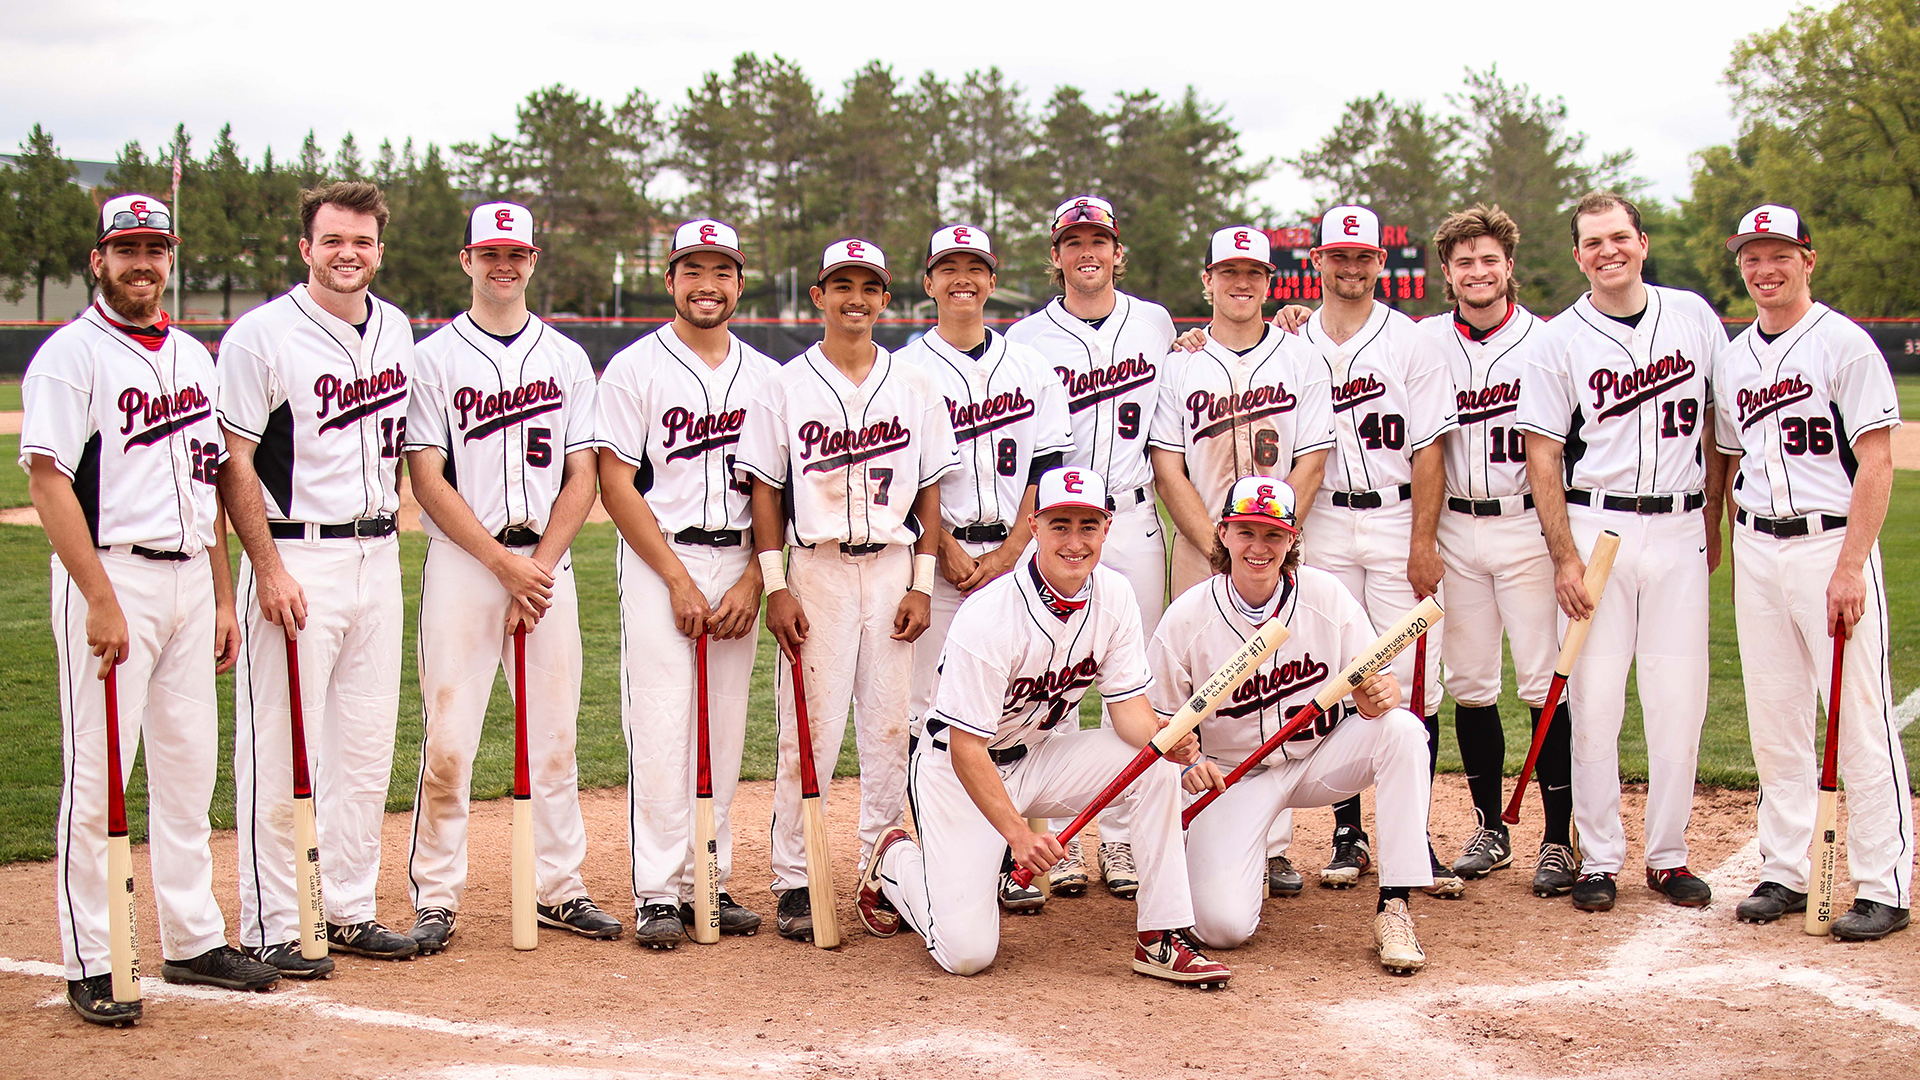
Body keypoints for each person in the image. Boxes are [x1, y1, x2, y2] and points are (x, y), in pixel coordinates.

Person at [23, 194, 281, 1025]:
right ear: (97, 259)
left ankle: (193, 936)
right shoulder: (69, 357)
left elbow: (208, 484)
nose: (142, 261)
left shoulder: (193, 359)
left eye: (155, 248)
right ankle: (92, 958)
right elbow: (49, 482)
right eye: (126, 247)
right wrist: (98, 599)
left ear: (172, 259)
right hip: (113, 579)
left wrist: (218, 596)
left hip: (182, 585)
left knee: (186, 771)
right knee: (98, 776)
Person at [856, 468, 1230, 987]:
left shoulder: (1115, 596)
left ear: (1107, 527)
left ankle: (1161, 937)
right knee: (966, 954)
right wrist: (1017, 836)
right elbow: (967, 748)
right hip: (959, 774)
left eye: (1087, 525)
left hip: (1035, 758)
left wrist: (1177, 749)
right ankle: (896, 861)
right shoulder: (988, 615)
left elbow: (1129, 716)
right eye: (1060, 525)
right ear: (1034, 526)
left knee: (1154, 763)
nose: (1074, 541)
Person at [400, 202, 621, 953]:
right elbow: (426, 477)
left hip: (544, 564)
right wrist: (502, 565)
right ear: (466, 259)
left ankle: (561, 888)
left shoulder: (564, 358)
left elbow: (583, 473)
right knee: (451, 738)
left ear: (533, 260)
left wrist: (541, 567)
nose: (504, 265)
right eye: (490, 252)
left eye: (516, 253)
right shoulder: (433, 359)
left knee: (556, 737)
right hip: (468, 563)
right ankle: (436, 896)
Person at [733, 238, 959, 941]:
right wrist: (776, 585)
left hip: (892, 568)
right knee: (812, 732)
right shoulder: (782, 384)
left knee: (891, 730)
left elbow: (929, 492)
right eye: (841, 286)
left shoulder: (916, 385)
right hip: (818, 568)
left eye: (868, 286)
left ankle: (880, 869)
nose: (854, 298)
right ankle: (796, 879)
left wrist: (923, 584)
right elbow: (766, 492)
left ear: (886, 299)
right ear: (818, 297)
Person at [217, 181, 415, 971]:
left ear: (378, 248)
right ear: (306, 248)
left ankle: (347, 908)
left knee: (363, 747)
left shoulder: (397, 328)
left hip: (377, 555)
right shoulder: (259, 336)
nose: (348, 253)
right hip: (294, 555)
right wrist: (266, 567)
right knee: (279, 747)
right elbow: (234, 460)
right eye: (333, 240)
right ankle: (271, 920)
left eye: (362, 241)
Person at [1514, 191, 1728, 913]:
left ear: (1641, 241)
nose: (1608, 251)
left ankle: (1668, 857)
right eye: (1592, 243)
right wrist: (1563, 556)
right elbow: (1541, 455)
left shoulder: (1694, 317)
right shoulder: (1558, 339)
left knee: (1678, 701)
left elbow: (1717, 432)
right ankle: (1599, 858)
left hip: (1679, 527)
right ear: (1577, 257)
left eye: (1619, 237)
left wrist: (1716, 518)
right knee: (1596, 703)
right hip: (1597, 529)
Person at [1714, 204, 1912, 940]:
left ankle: (1884, 882)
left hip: (1830, 544)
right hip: (1758, 549)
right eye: (1750, 258)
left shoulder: (1845, 346)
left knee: (1858, 715)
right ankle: (1786, 870)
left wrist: (1851, 567)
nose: (1764, 270)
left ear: (1808, 258)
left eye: (1777, 255)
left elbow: (1877, 462)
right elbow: (1730, 461)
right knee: (1776, 716)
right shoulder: (1735, 359)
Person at [1154, 477, 1433, 973]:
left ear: (1292, 538)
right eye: (1246, 533)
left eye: (1272, 535)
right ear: (1222, 534)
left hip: (1317, 759)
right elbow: (1158, 715)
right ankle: (1238, 855)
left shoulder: (1327, 597)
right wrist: (1188, 756)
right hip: (1233, 776)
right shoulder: (1188, 617)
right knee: (1222, 930)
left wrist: (1379, 696)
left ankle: (1395, 905)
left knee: (1404, 731)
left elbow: (1373, 686)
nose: (1259, 548)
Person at [596, 219, 778, 945]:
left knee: (725, 726)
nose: (708, 285)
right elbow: (615, 482)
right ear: (670, 281)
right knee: (664, 723)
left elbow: (780, 489)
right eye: (692, 271)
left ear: (739, 283)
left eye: (722, 271)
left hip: (741, 561)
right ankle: (656, 892)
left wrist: (756, 583)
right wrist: (675, 578)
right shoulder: (634, 368)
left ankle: (712, 878)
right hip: (659, 555)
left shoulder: (767, 376)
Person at [895, 224, 1074, 915]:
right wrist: (944, 549)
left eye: (974, 269)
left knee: (1019, 707)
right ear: (930, 281)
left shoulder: (1031, 369)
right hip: (933, 560)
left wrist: (1009, 555)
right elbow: (907, 474)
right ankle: (940, 853)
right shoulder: (905, 370)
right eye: (948, 269)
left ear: (991, 281)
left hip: (1018, 553)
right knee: (930, 714)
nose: (961, 280)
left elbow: (1046, 471)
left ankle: (1010, 856)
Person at [1005, 195, 1177, 899]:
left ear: (1116, 251)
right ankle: (1062, 841)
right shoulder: (1024, 339)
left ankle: (1122, 839)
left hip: (1133, 517)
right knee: (1054, 684)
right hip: (1058, 525)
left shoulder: (1159, 325)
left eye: (1098, 240)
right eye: (1073, 241)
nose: (1087, 252)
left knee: (1128, 679)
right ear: (1056, 256)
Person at [1290, 204, 1460, 896]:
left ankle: (1412, 834)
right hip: (1325, 519)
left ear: (1379, 264)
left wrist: (1422, 543)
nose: (1351, 267)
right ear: (1318, 263)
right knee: (1338, 670)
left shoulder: (1412, 341)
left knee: (1415, 681)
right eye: (1339, 256)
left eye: (1363, 257)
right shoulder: (1293, 343)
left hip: (1394, 521)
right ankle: (1348, 834)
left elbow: (1430, 450)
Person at [1418, 206, 1575, 896]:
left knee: (1545, 683)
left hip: (1527, 526)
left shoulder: (1549, 340)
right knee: (1472, 684)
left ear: (1509, 266)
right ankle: (1491, 826)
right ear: (1446, 274)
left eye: (1489, 260)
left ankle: (1557, 836)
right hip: (1455, 525)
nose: (1477, 272)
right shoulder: (1422, 340)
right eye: (1463, 262)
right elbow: (1340, 338)